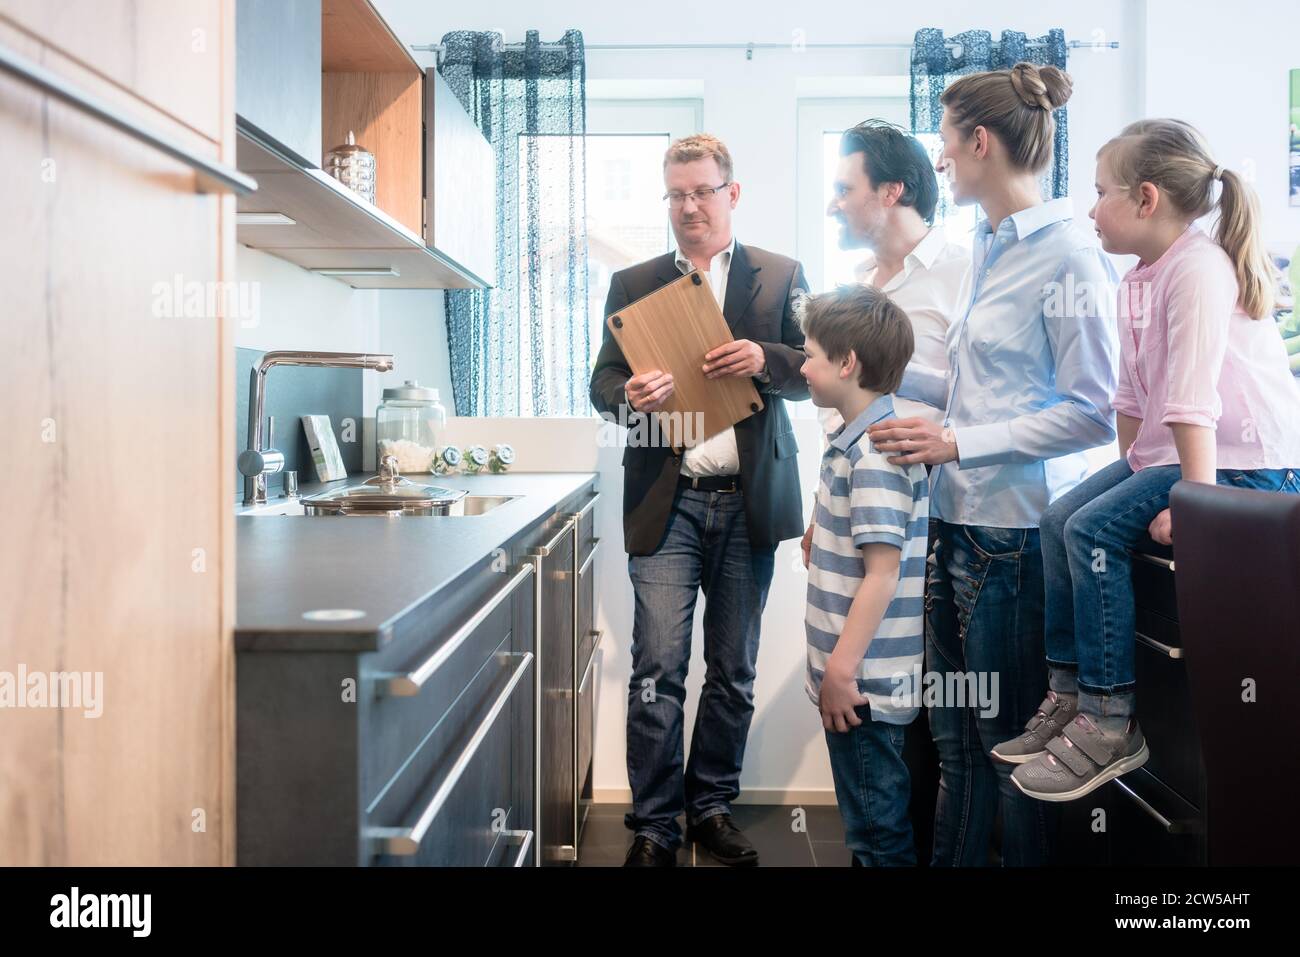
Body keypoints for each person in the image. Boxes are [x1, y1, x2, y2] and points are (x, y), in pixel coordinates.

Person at [999, 119, 1300, 800]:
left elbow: (1193, 403)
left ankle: (1110, 721)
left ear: (1146, 198)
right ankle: (1071, 692)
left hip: (1243, 462)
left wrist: (1195, 513)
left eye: (1100, 192)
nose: (1090, 208)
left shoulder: (1197, 268)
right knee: (1059, 518)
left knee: (1090, 529)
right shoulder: (1137, 276)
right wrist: (1134, 481)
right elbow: (1130, 400)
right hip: (1184, 451)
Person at [867, 62, 1119, 866]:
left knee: (1012, 753)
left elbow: (1093, 409)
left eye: (945, 141)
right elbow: (973, 391)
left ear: (980, 142)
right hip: (956, 522)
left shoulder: (1070, 254)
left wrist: (956, 443)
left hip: (1011, 539)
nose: (938, 160)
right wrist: (873, 359)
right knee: (958, 747)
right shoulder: (985, 245)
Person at [588, 133, 811, 866]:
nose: (688, 206)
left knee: (734, 668)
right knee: (657, 666)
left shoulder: (780, 276)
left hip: (748, 500)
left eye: (702, 191)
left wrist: (765, 359)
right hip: (668, 498)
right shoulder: (634, 282)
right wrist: (632, 394)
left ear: (732, 194)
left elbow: (815, 369)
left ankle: (710, 804)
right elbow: (601, 389)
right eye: (676, 194)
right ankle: (655, 822)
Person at [800, 284, 930, 866]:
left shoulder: (873, 453)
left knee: (877, 837)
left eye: (810, 354)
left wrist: (840, 671)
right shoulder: (854, 443)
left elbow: (882, 574)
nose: (800, 366)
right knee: (869, 827)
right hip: (860, 683)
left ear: (846, 363)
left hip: (863, 687)